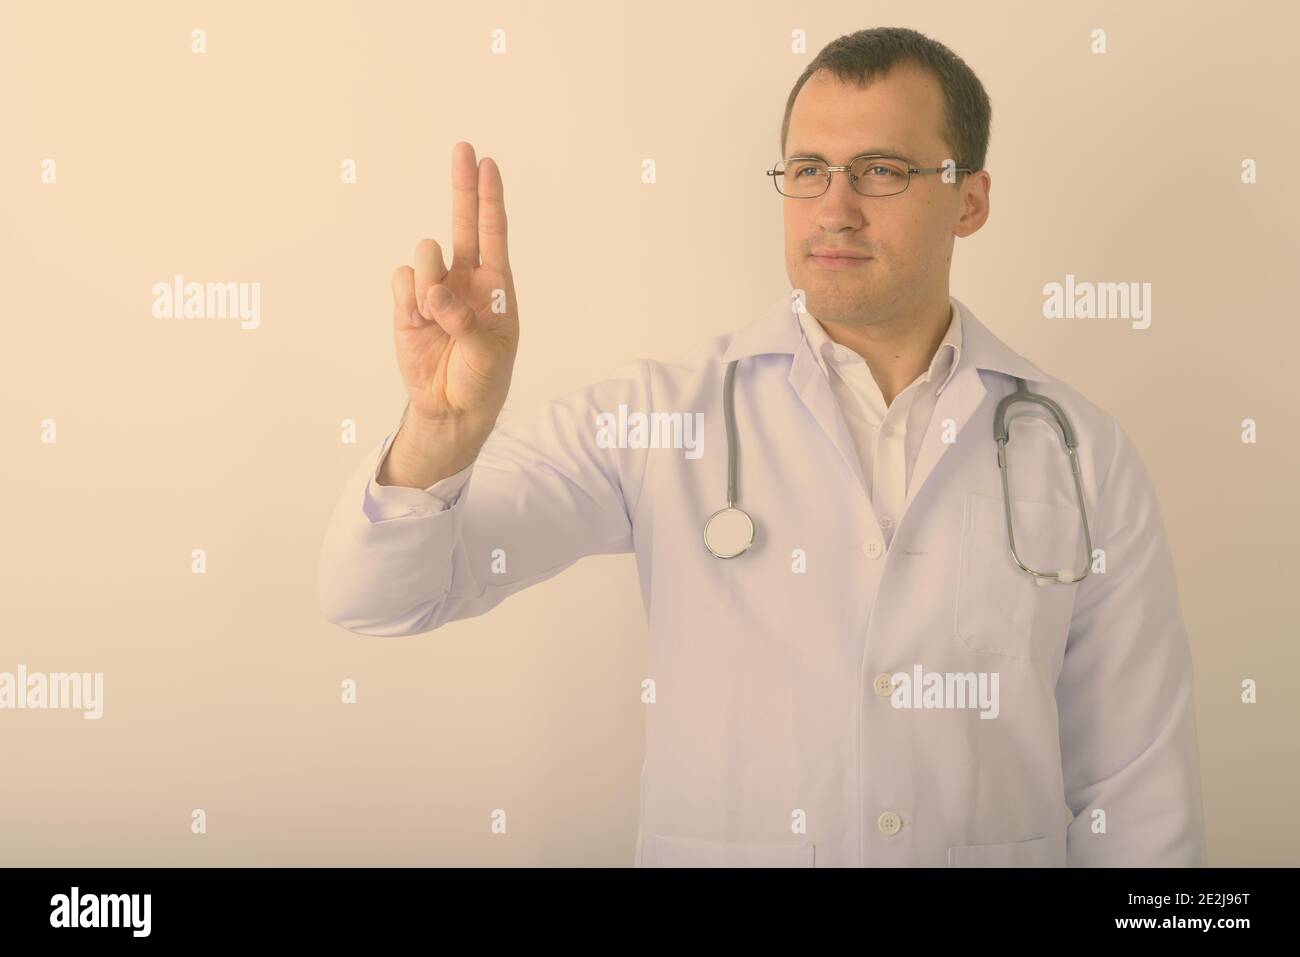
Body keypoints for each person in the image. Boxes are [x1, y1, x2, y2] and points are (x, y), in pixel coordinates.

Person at [317, 27, 1206, 867]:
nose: (835, 208)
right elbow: (381, 598)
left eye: (881, 171)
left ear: (969, 199)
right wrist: (440, 433)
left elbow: (1136, 791)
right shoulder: (659, 415)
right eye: (809, 169)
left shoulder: (1080, 448)